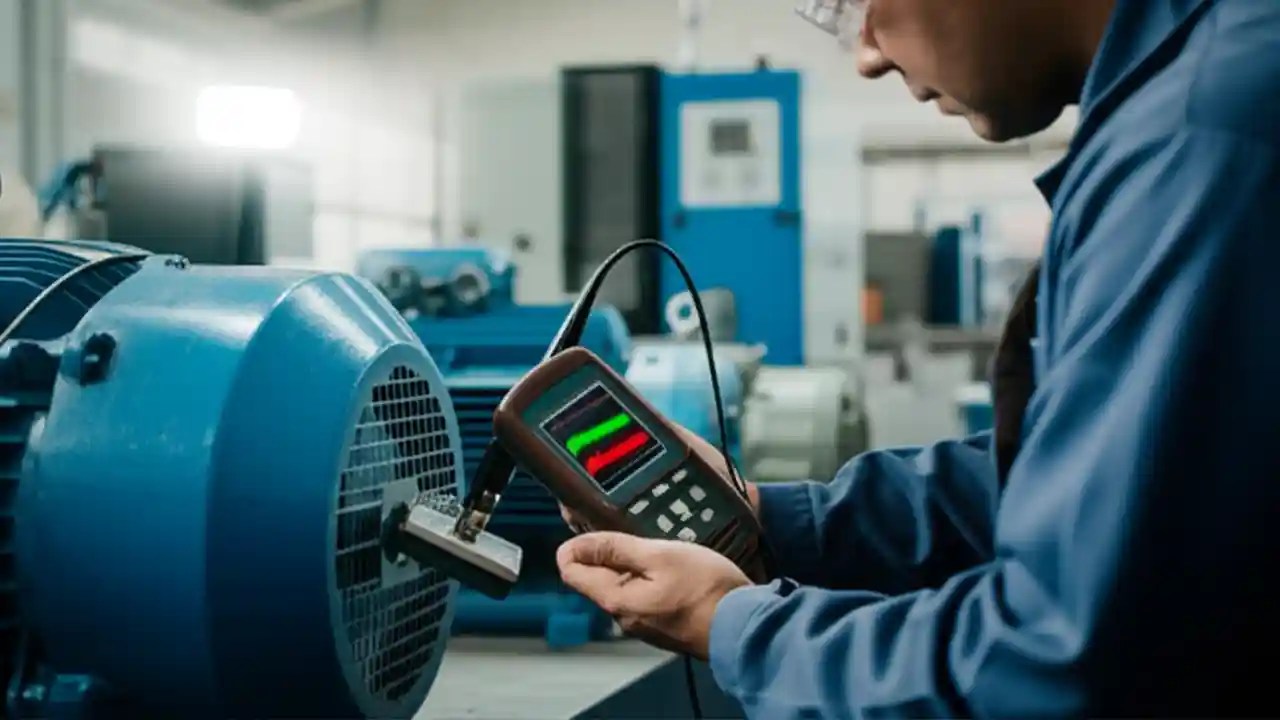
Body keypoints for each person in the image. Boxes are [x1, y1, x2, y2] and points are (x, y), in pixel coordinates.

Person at [555, 0, 1280, 716]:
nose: (867, 57)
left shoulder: (1203, 136)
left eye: (856, 5)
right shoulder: (1197, 91)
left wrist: (737, 625)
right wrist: (773, 520)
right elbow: (1083, 483)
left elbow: (1056, 665)